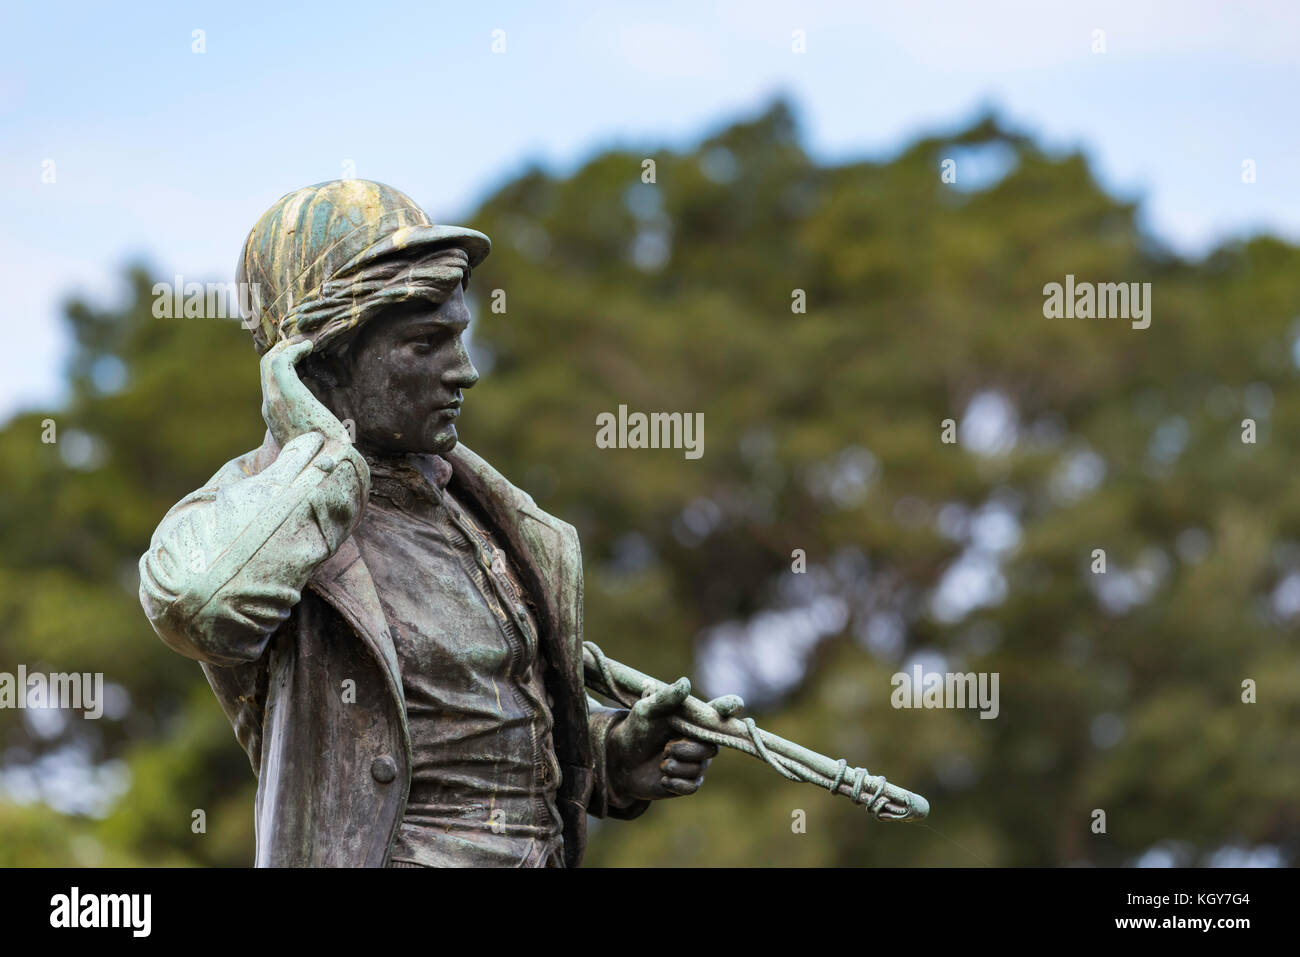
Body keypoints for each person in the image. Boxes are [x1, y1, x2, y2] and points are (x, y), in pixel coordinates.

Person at [138, 179, 721, 867]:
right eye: (426, 342)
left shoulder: (488, 517)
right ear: (316, 359)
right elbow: (201, 605)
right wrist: (323, 454)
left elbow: (488, 728)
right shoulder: (257, 516)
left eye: (459, 337)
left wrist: (613, 755)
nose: (465, 371)